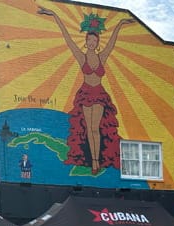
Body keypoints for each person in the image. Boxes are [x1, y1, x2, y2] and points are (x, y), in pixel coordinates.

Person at [37, 5, 134, 175]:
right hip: (86, 93)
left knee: (96, 128)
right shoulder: (81, 57)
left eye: (94, 41)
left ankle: (96, 161)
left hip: (99, 93)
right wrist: (54, 14)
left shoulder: (101, 57)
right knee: (89, 128)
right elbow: (67, 38)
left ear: (97, 44)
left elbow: (112, 42)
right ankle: (93, 162)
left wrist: (119, 24)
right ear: (86, 42)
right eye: (89, 40)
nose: (91, 43)